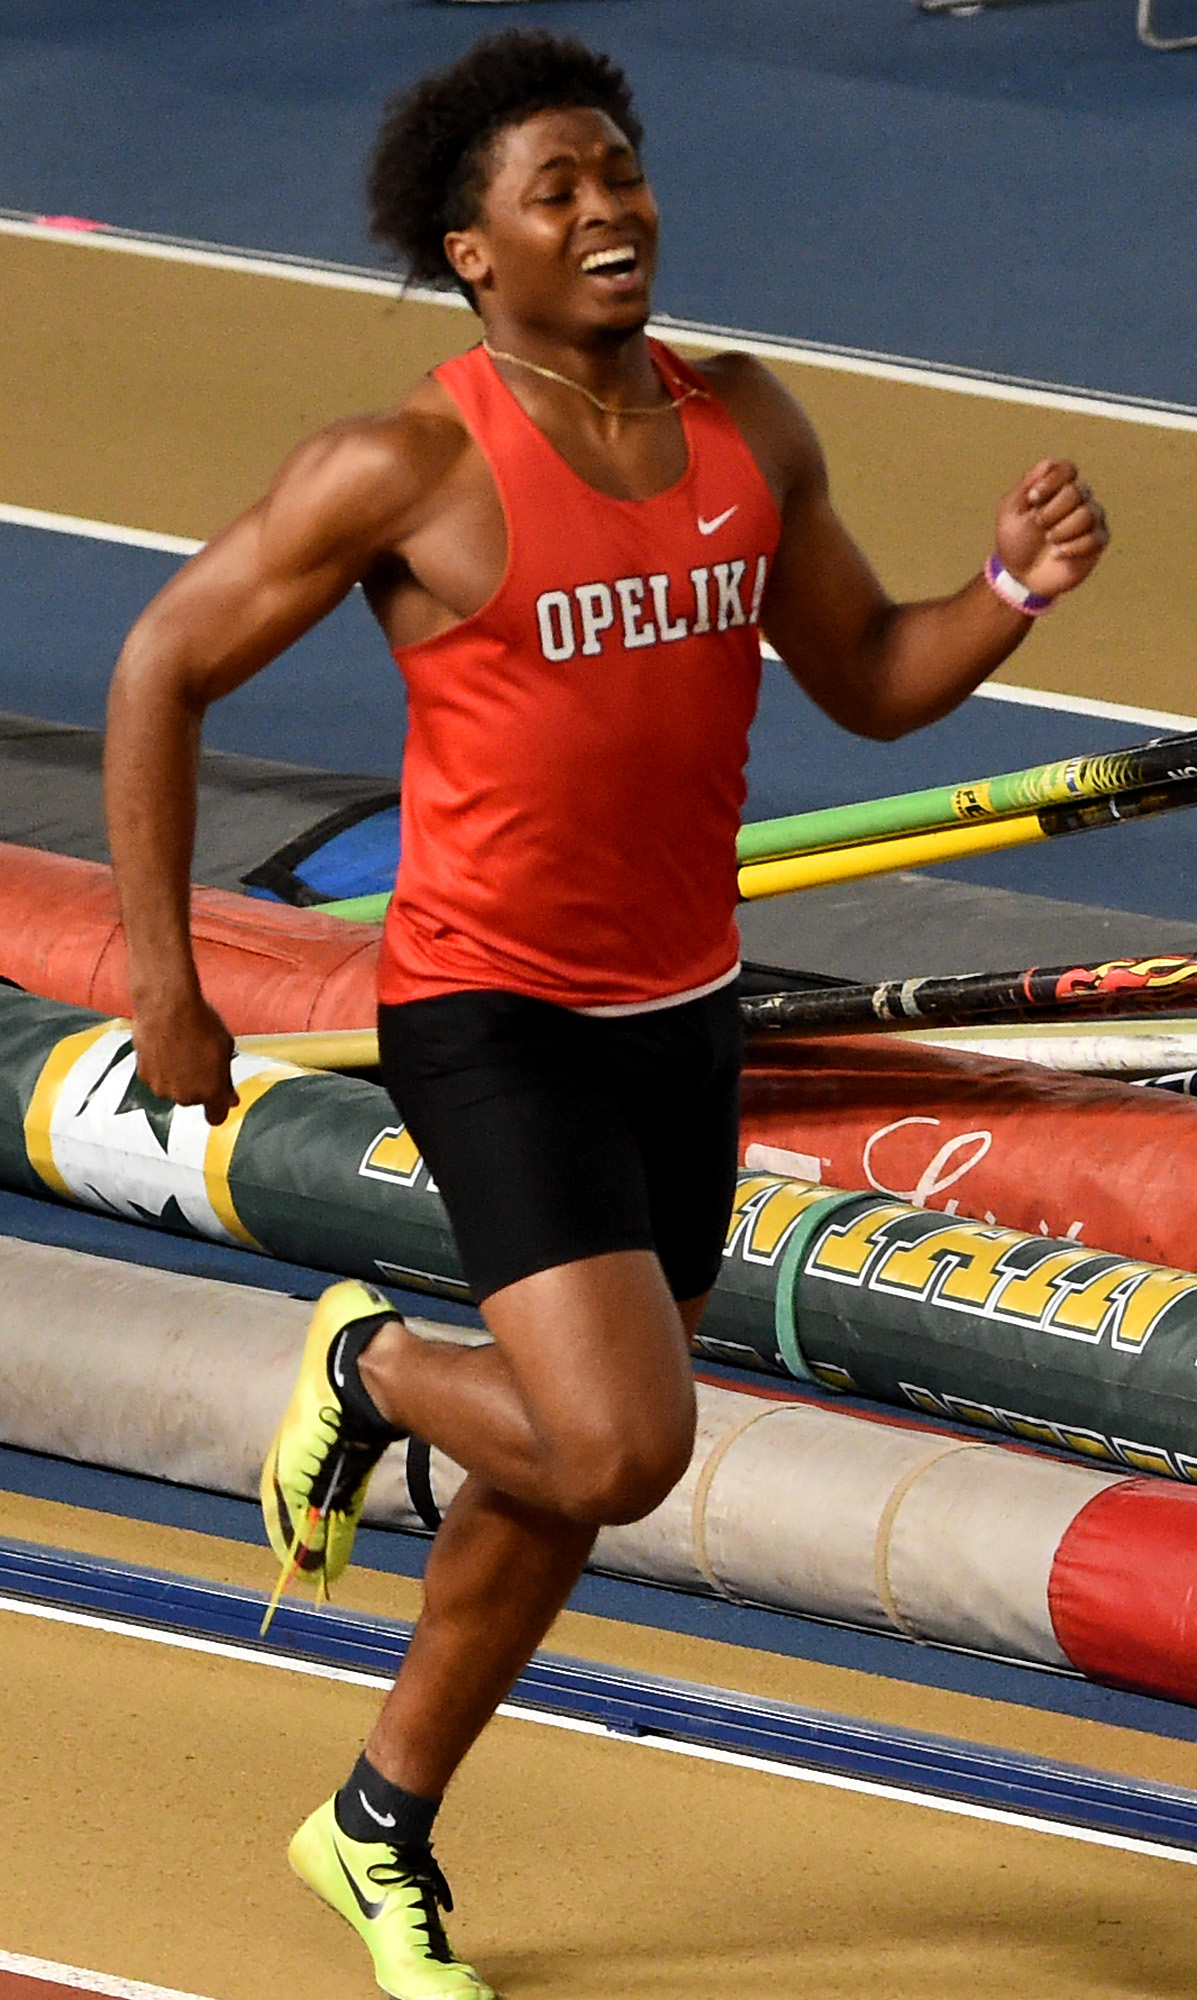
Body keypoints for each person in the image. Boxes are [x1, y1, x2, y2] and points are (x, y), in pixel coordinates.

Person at [104, 29, 1109, 2000]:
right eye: (554, 190)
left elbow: (869, 679)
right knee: (620, 1437)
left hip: (682, 1017)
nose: (607, 212)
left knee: (564, 1475)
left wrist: (1003, 584)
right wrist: (164, 974)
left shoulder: (745, 425)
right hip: (494, 1014)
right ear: (472, 252)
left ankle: (377, 1820)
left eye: (619, 172)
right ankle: (377, 1364)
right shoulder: (401, 465)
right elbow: (154, 667)